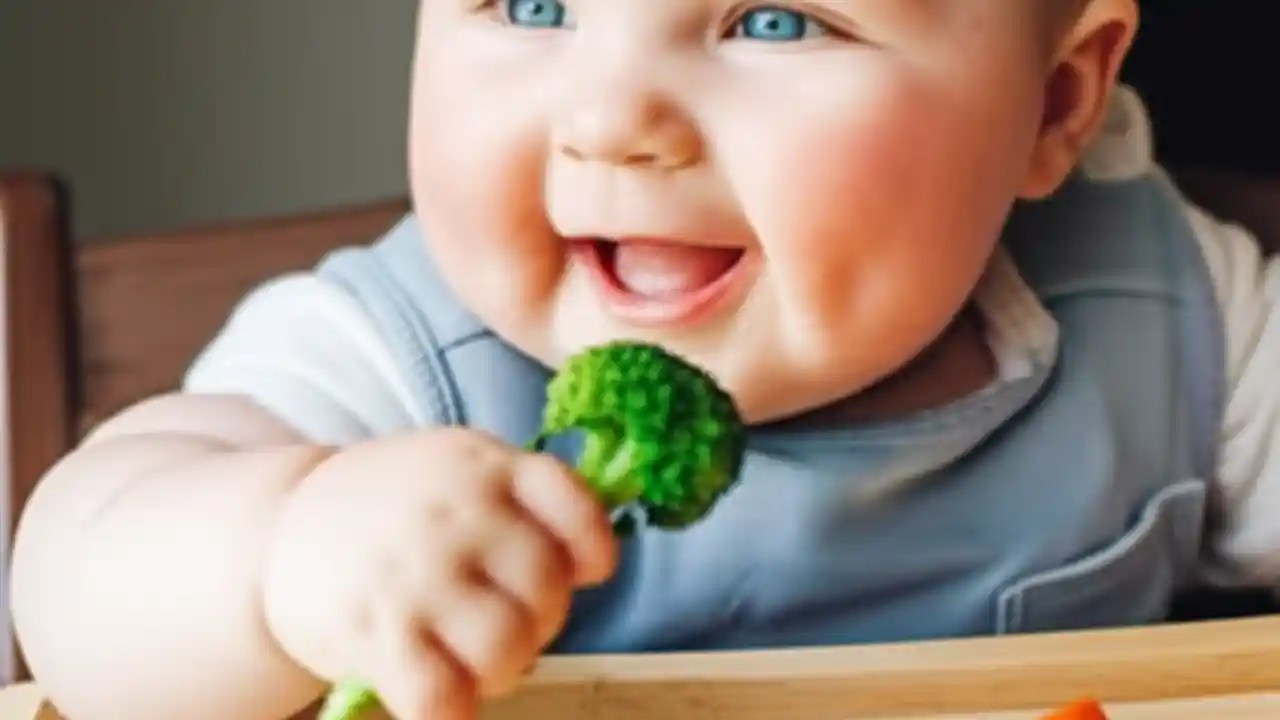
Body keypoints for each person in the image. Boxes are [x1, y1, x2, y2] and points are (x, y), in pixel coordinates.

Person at [11, 1, 1280, 719]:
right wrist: (281, 551)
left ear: (1054, 107)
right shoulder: (387, 374)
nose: (610, 120)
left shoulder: (1165, 310)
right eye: (532, 5)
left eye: (774, 21)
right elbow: (76, 590)